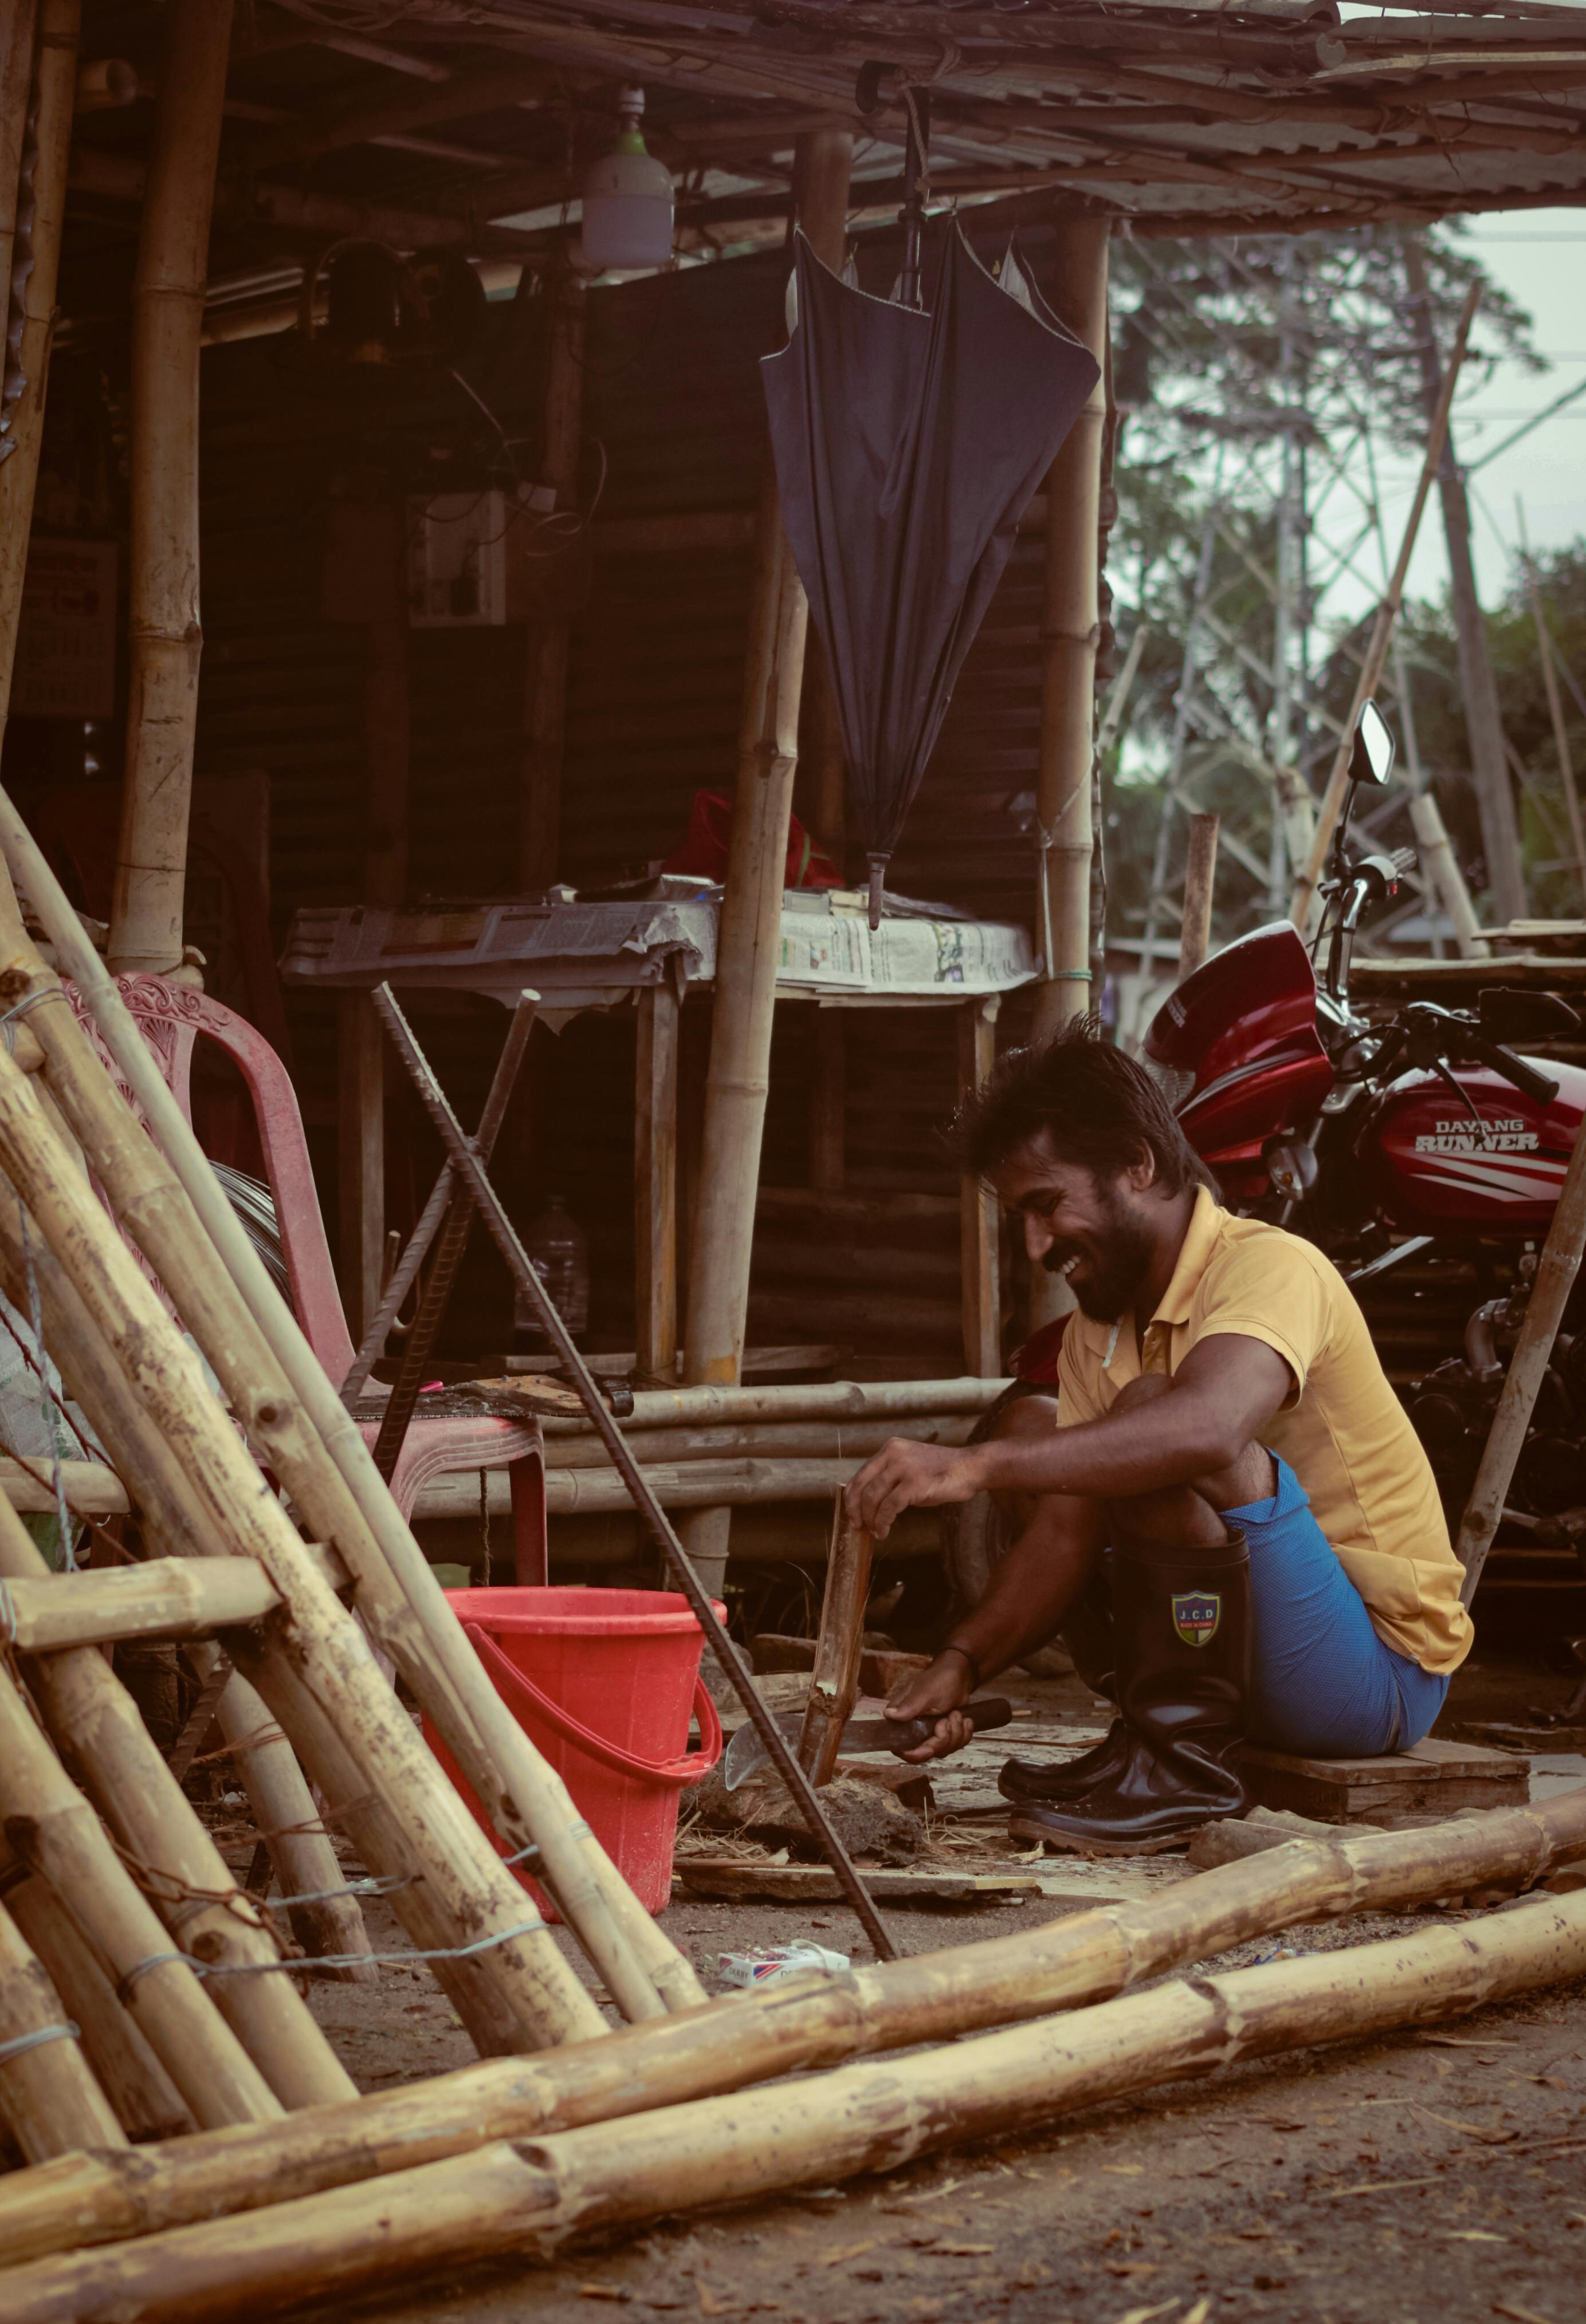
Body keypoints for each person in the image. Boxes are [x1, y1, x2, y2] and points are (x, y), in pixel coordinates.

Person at [845, 1021, 1473, 1857]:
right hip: (1258, 1668)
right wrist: (960, 1662)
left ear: (1137, 1166)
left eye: (1046, 1205)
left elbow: (1207, 1431)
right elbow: (1064, 1533)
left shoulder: (1271, 1267)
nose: (1035, 1245)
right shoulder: (1095, 1334)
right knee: (1063, 1438)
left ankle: (1181, 1769)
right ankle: (1155, 1741)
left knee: (1148, 1415)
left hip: (1375, 1678)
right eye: (1021, 1218)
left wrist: (975, 1464)